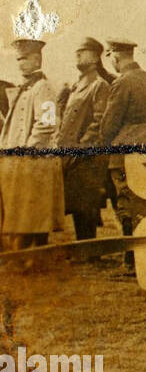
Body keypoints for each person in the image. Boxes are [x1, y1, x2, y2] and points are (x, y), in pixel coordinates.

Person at [99, 38, 146, 268]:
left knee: (126, 202)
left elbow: (109, 123)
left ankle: (131, 260)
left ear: (115, 56)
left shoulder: (122, 82)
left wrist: (104, 142)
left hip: (125, 150)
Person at [0, 39, 64, 251]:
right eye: (18, 59)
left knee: (33, 212)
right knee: (22, 210)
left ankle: (34, 256)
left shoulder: (43, 87)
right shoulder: (23, 88)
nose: (20, 63)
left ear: (37, 59)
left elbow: (46, 124)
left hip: (34, 160)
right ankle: (26, 256)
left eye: (25, 58)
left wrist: (28, 148)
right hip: (20, 161)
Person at [55, 38, 111, 240]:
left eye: (83, 51)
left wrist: (82, 147)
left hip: (86, 156)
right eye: (77, 51)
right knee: (76, 201)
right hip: (69, 153)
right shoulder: (76, 85)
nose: (77, 54)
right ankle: (84, 248)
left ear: (96, 57)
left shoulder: (99, 85)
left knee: (86, 203)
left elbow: (99, 121)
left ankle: (89, 250)